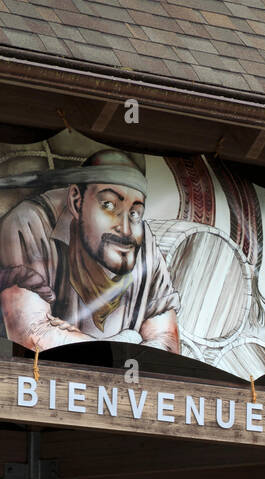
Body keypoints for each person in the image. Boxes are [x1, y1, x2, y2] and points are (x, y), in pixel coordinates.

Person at [0, 148, 180, 352]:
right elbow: (33, 337)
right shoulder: (30, 224)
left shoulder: (145, 244)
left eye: (135, 213)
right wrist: (125, 346)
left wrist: (84, 344)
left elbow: (166, 345)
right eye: (109, 205)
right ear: (77, 201)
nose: (126, 229)